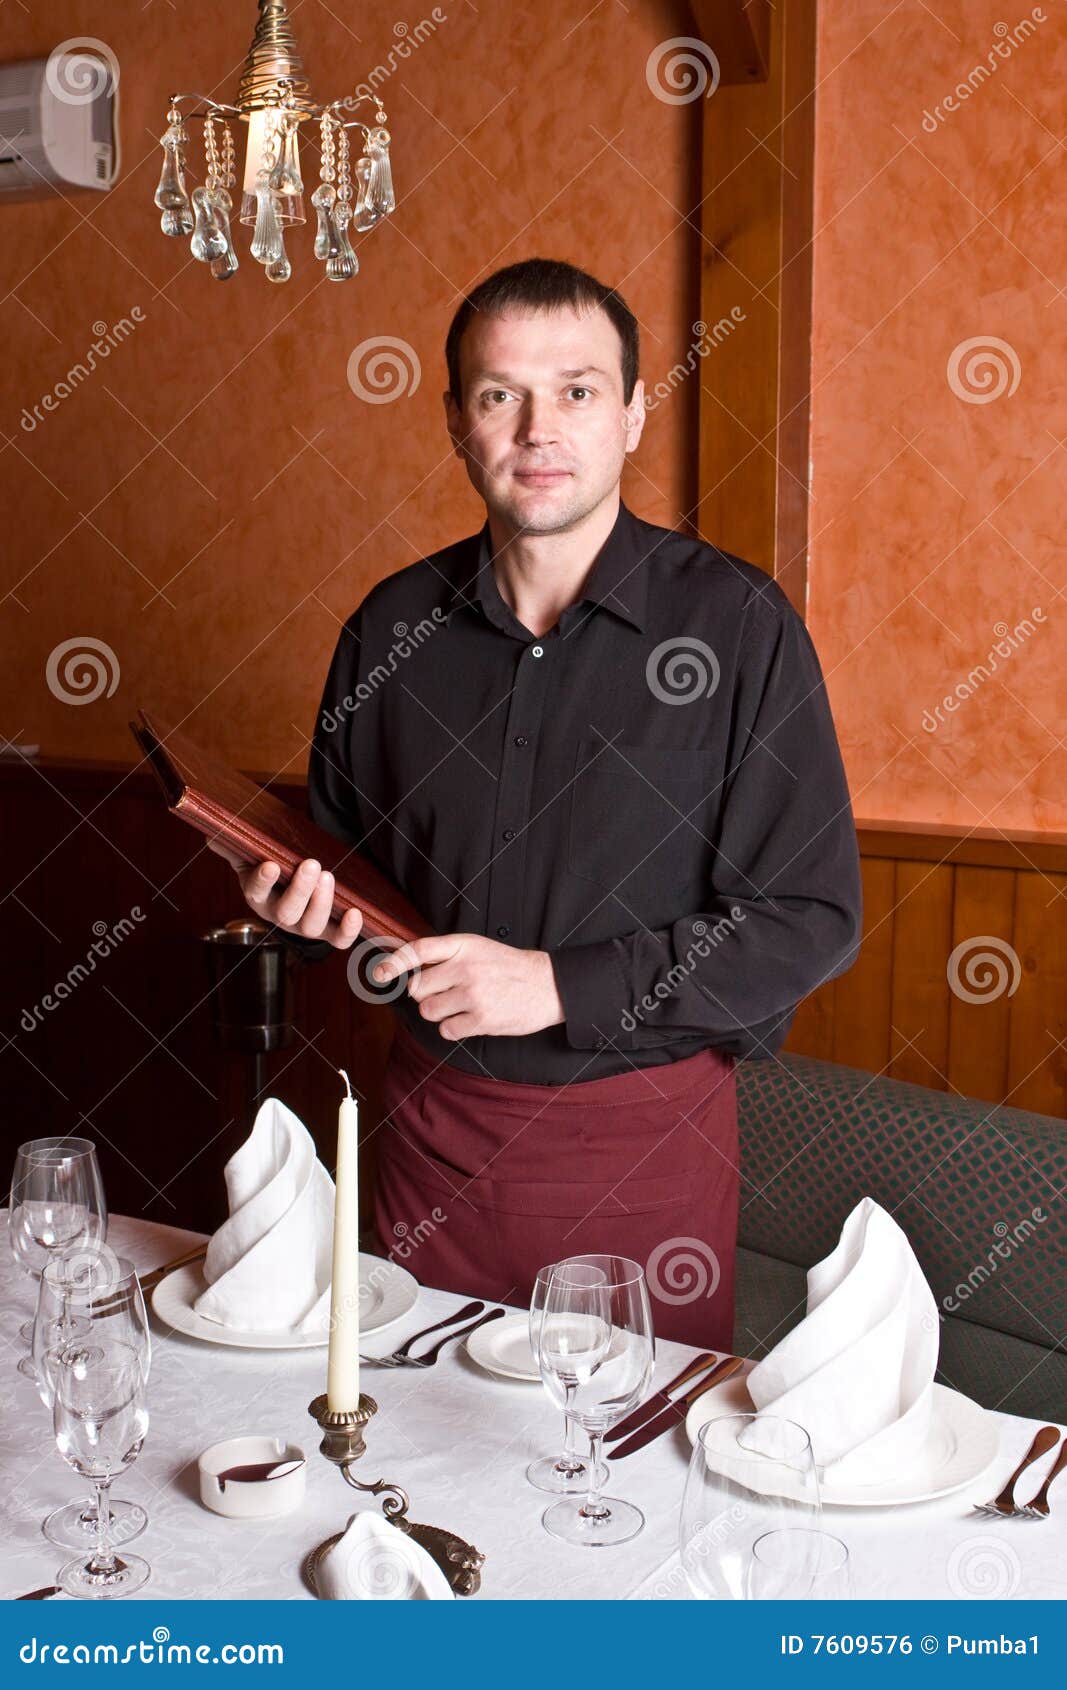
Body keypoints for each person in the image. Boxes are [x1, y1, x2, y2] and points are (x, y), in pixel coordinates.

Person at [209, 257, 862, 1349]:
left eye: (575, 389)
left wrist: (557, 985)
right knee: (395, 1460)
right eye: (497, 393)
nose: (536, 429)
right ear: (456, 420)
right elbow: (356, 889)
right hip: (424, 1136)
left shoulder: (740, 626)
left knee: (616, 1489)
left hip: (638, 1150)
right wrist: (305, 915)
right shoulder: (387, 627)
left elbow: (809, 919)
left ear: (631, 414)